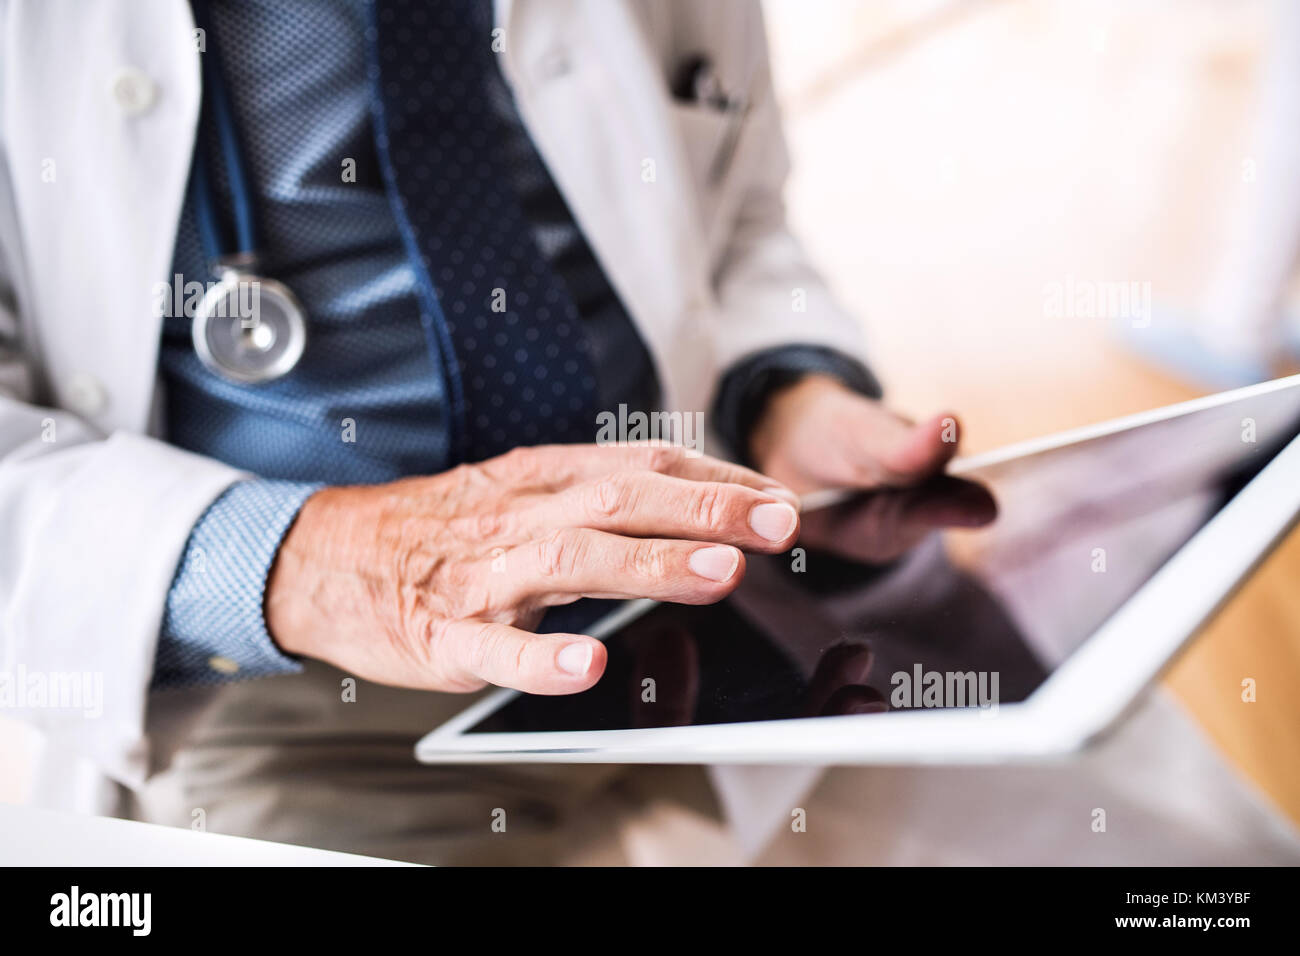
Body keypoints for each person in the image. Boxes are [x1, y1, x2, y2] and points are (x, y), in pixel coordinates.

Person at [0, 0, 966, 863]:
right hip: (306, 691)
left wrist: (783, 386)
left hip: (702, 590)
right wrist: (302, 561)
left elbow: (741, 209)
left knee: (1074, 783)